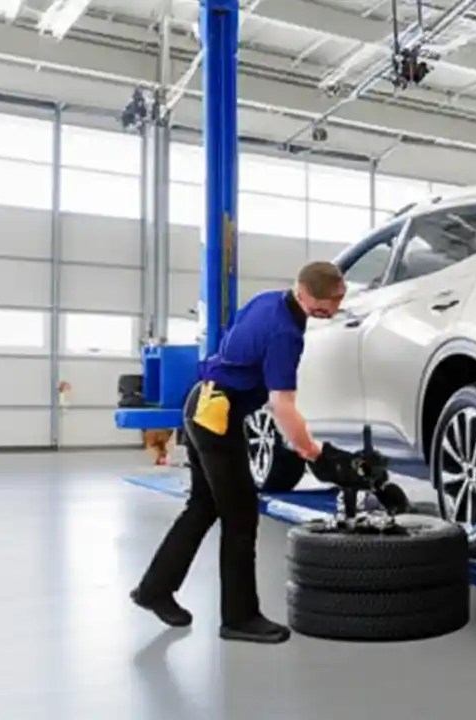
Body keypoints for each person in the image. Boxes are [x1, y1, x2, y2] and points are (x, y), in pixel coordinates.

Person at [130, 261, 345, 644]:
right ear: (305, 294)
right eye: (328, 302)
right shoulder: (286, 333)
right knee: (241, 514)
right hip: (217, 416)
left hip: (200, 404)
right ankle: (239, 617)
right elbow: (282, 405)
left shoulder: (267, 302)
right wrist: (312, 451)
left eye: (339, 299)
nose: (334, 308)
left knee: (203, 506)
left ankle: (153, 590)